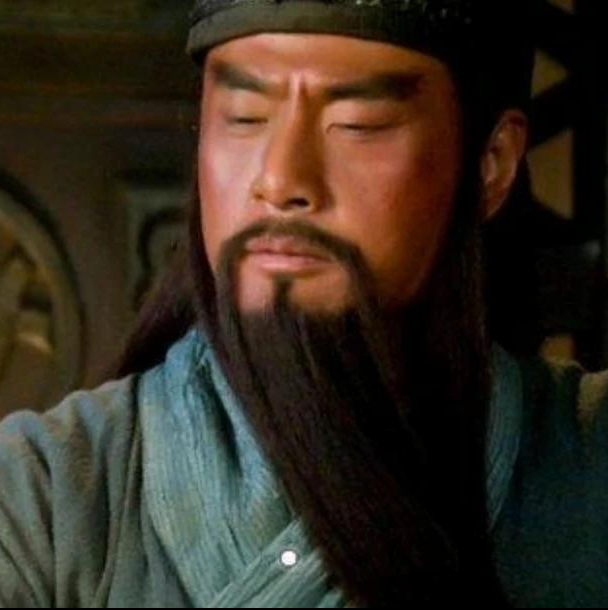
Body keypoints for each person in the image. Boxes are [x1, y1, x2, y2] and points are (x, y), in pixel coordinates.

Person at [1, 0, 606, 607]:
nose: (281, 180)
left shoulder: (589, 462)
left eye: (357, 124)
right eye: (244, 117)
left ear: (491, 164)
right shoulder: (40, 495)